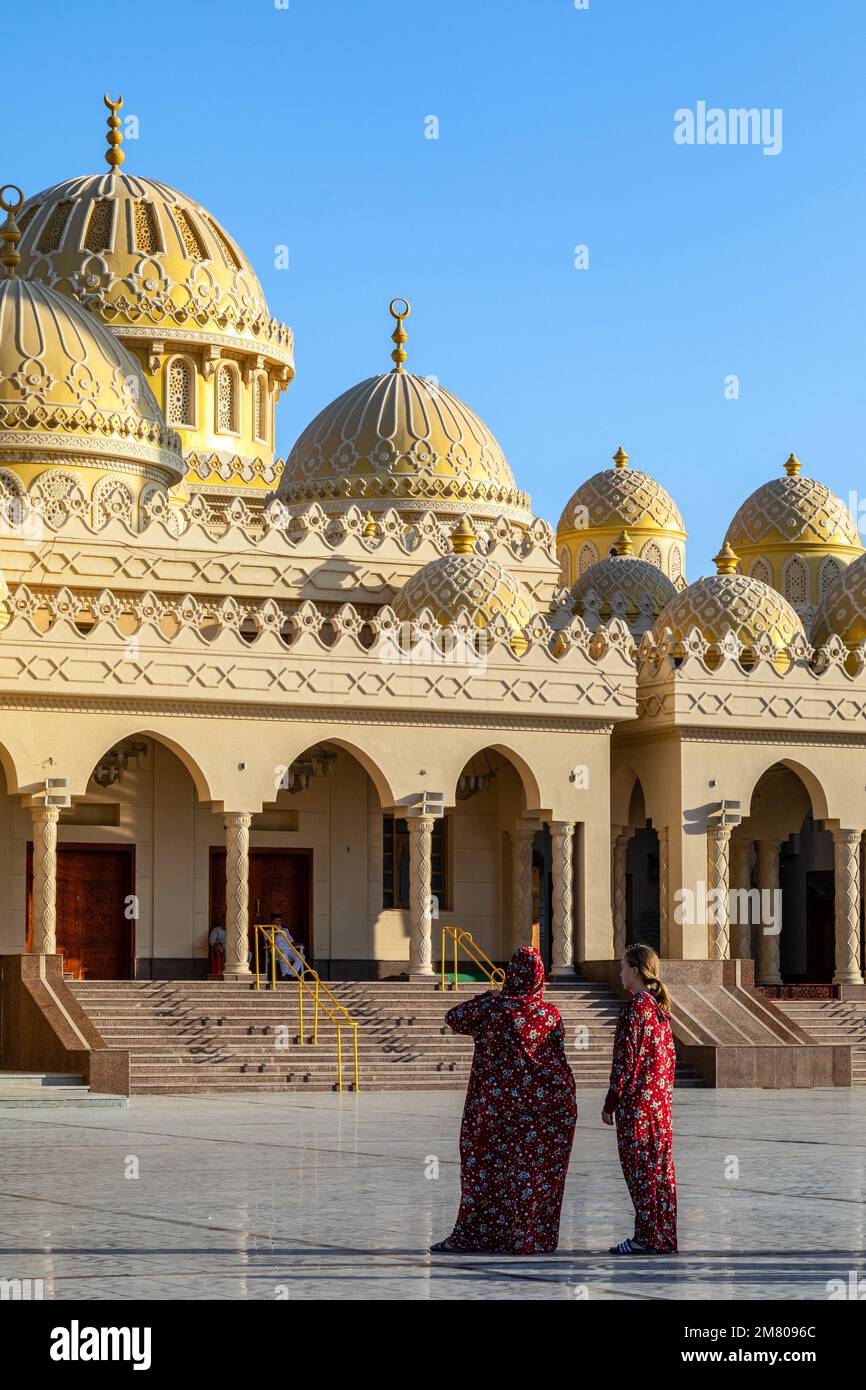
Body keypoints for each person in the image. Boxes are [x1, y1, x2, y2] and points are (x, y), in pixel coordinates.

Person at [431, 945, 577, 1255]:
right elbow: (557, 1058)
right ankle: (529, 1238)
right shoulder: (549, 1015)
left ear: (512, 974)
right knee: (529, 1174)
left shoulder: (492, 1010)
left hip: (493, 1110)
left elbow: (453, 1017)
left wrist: (489, 997)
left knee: (486, 1171)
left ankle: (481, 1235)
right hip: (539, 1112)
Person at [602, 943, 677, 1255]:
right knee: (659, 1175)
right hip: (660, 1110)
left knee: (641, 1174)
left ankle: (646, 1238)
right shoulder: (660, 1013)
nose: (620, 973)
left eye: (623, 967)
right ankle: (664, 1237)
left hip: (638, 1110)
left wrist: (611, 1102)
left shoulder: (635, 1009)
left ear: (634, 971)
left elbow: (625, 1060)